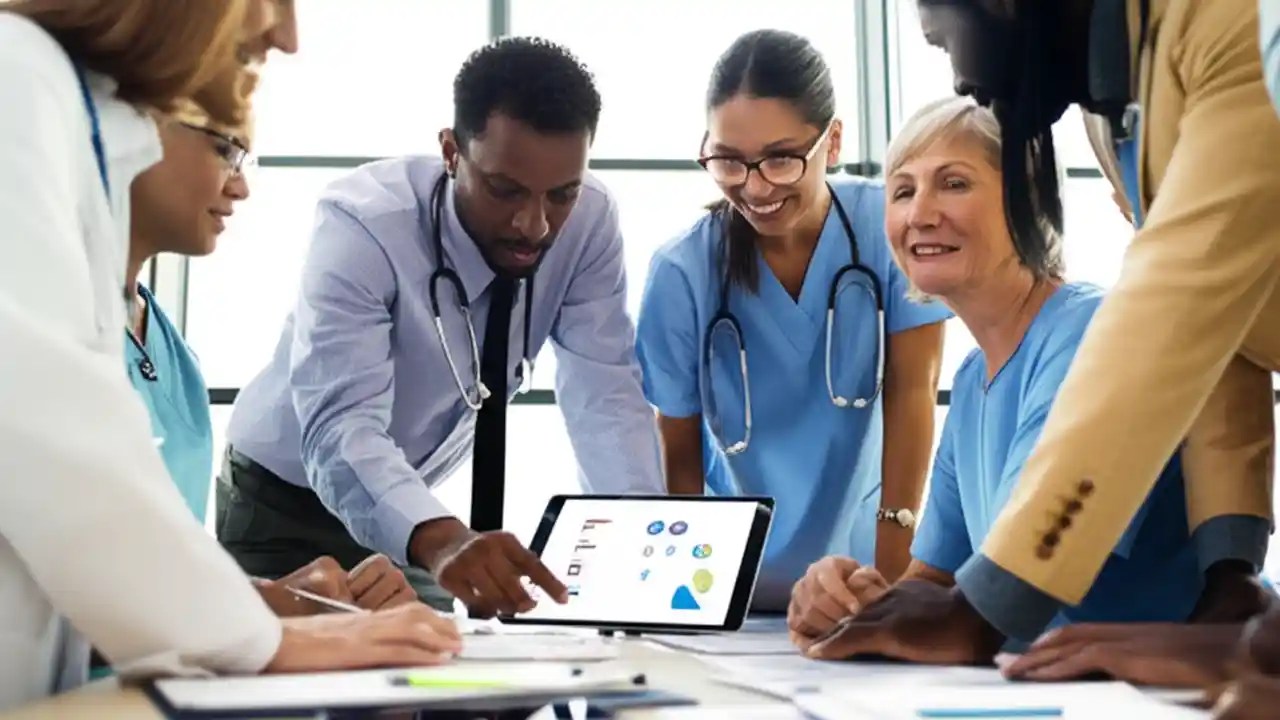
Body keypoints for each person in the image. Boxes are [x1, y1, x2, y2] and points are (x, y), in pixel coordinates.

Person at [0, 0, 458, 710]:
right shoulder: (16, 75)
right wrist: (273, 639)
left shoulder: (68, 126)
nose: (288, 34)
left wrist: (269, 613)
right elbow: (42, 430)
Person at [808, 0, 1280, 666]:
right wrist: (1232, 566)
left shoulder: (1230, 29)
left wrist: (982, 610)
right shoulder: (1108, 103)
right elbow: (1219, 315)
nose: (962, 83)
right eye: (902, 190)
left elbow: (1178, 302)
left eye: (945, 41)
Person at [218, 36, 665, 618]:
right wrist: (445, 537)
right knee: (280, 697)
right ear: (452, 152)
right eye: (505, 190)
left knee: (436, 678)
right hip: (281, 504)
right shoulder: (364, 225)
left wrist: (640, 551)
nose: (534, 225)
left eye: (562, 194)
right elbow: (341, 427)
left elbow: (605, 395)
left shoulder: (589, 222)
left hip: (408, 510)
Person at [792, 96, 1202, 658]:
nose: (920, 214)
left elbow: (1011, 590)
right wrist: (849, 601)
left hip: (1167, 694)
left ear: (1028, 200)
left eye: (954, 184)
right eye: (903, 190)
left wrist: (898, 617)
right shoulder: (971, 380)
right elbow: (933, 585)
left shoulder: (1090, 334)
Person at [635, 29, 950, 609]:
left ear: (831, 141)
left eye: (780, 158)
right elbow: (676, 451)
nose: (754, 187)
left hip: (862, 580)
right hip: (724, 582)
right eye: (728, 161)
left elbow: (914, 394)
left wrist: (895, 575)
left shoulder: (889, 226)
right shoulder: (683, 270)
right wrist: (684, 602)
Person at [125, 105, 418, 616]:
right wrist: (272, 607)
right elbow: (80, 580)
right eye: (223, 150)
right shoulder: (44, 321)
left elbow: (164, 572)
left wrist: (303, 603)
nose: (240, 187)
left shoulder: (168, 348)